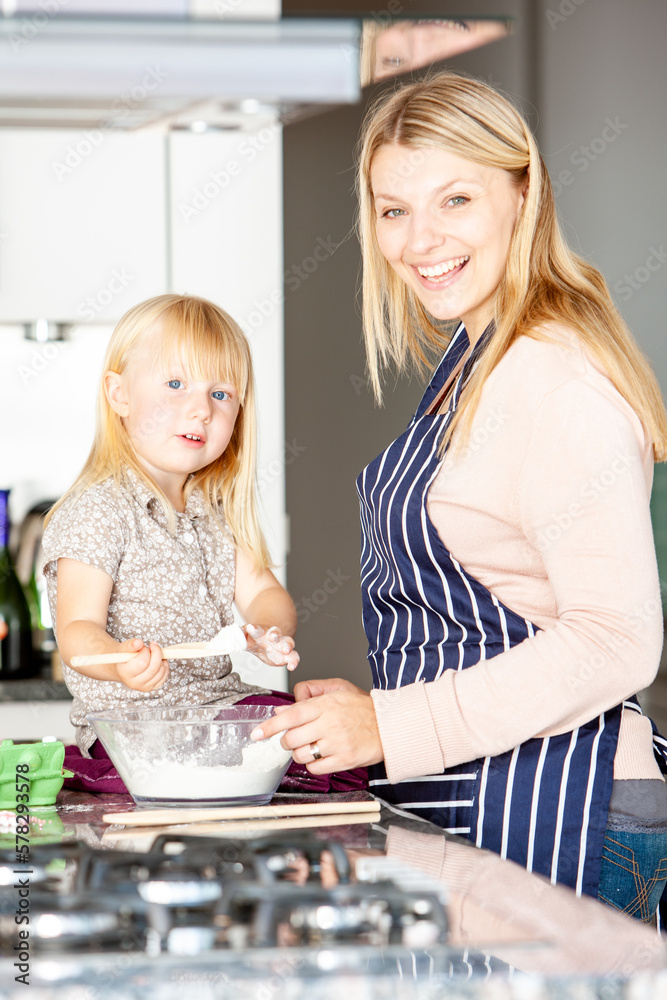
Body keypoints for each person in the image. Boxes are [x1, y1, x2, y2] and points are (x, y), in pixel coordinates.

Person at [253, 72, 667, 919]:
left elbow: (618, 638)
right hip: (494, 804)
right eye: (392, 209)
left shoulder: (551, 377)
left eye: (455, 200)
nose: (417, 240)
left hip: (570, 811)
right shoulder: (478, 362)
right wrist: (369, 709)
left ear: (522, 195)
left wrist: (391, 727)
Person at [42, 293, 299, 756]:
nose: (202, 409)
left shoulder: (213, 511)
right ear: (119, 394)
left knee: (314, 731)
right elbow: (77, 630)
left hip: (216, 711)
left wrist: (267, 632)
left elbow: (264, 593)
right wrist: (122, 665)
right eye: (176, 384)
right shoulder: (98, 511)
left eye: (220, 394)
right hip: (132, 730)